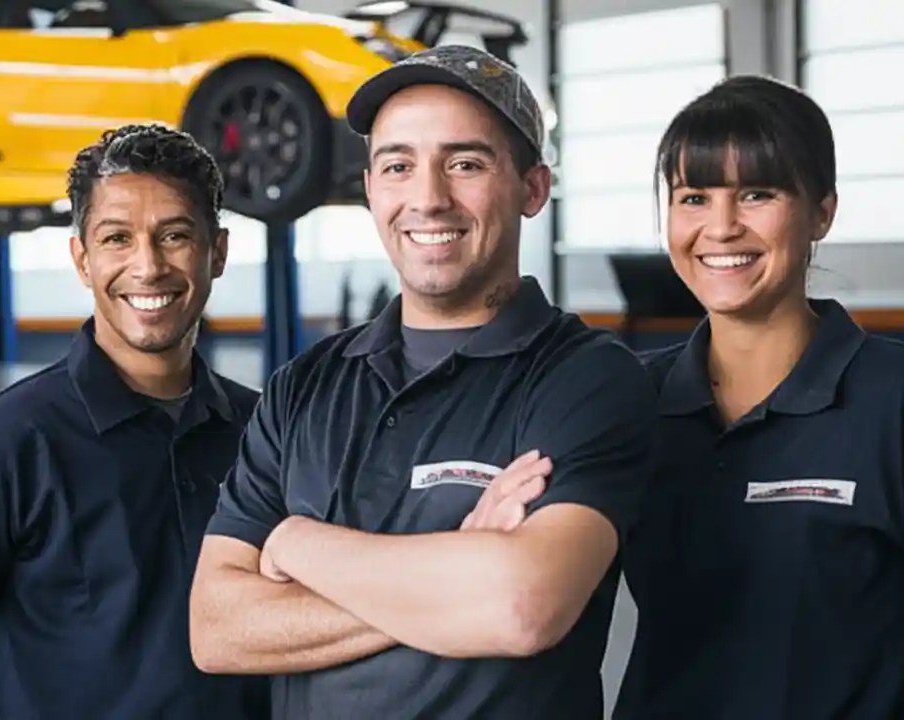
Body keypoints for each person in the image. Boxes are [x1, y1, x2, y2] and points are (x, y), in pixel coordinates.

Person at [189, 45, 659, 719]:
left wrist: (295, 543)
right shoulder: (304, 387)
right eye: (399, 166)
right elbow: (217, 628)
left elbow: (523, 607)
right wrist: (459, 574)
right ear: (372, 189)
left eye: (465, 163)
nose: (428, 199)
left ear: (532, 188)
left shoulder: (585, 378)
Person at [0, 124, 268, 720]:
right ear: (82, 258)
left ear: (218, 252)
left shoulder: (264, 433)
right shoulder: (3, 441)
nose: (147, 266)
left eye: (174, 235)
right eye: (117, 238)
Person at [607, 76, 904, 719]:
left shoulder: (893, 401)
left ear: (821, 210)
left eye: (757, 193)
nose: (721, 227)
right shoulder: (625, 402)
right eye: (693, 197)